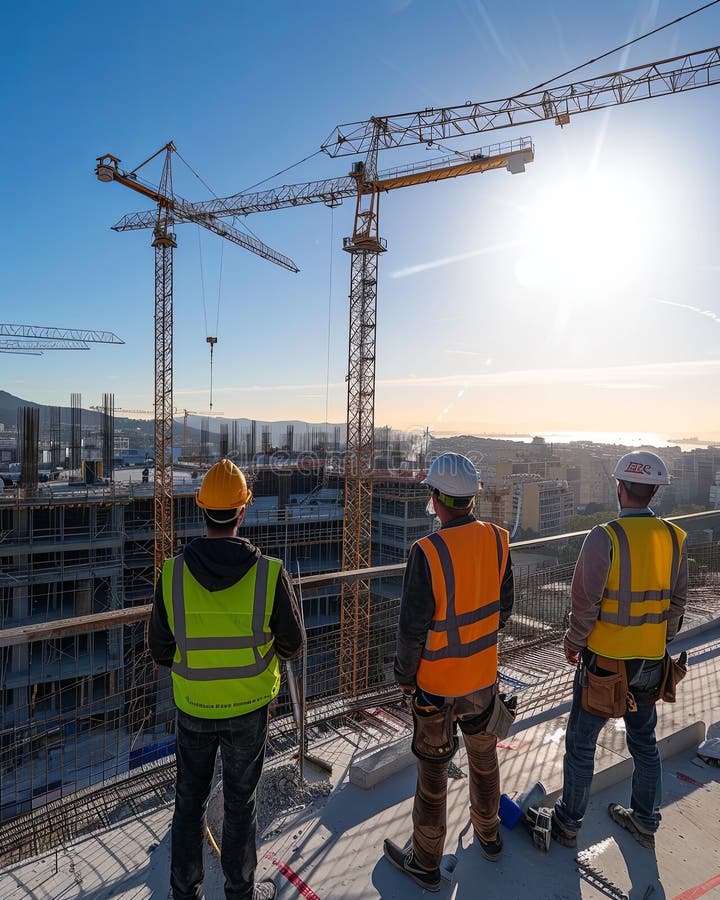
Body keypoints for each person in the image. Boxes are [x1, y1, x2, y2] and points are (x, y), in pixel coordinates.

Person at [148, 459, 305, 900]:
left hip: (193, 708)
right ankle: (240, 892)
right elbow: (292, 645)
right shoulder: (270, 575)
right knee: (240, 805)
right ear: (243, 511)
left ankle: (185, 892)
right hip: (249, 710)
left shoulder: (171, 574)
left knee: (189, 803)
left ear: (202, 511)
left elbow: (160, 650)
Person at [383, 452, 514, 892]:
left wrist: (405, 678)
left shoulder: (428, 552)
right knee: (483, 758)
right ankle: (490, 835)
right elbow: (504, 611)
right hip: (482, 681)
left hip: (436, 688)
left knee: (433, 775)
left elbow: (411, 631)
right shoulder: (499, 540)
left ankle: (425, 862)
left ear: (437, 499)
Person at [551, 450, 688, 851]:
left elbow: (584, 604)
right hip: (650, 663)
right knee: (644, 742)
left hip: (604, 666)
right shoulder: (673, 538)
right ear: (653, 492)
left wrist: (573, 645)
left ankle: (569, 822)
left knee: (580, 745)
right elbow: (676, 603)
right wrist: (660, 641)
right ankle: (645, 819)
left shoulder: (604, 537)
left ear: (620, 487)